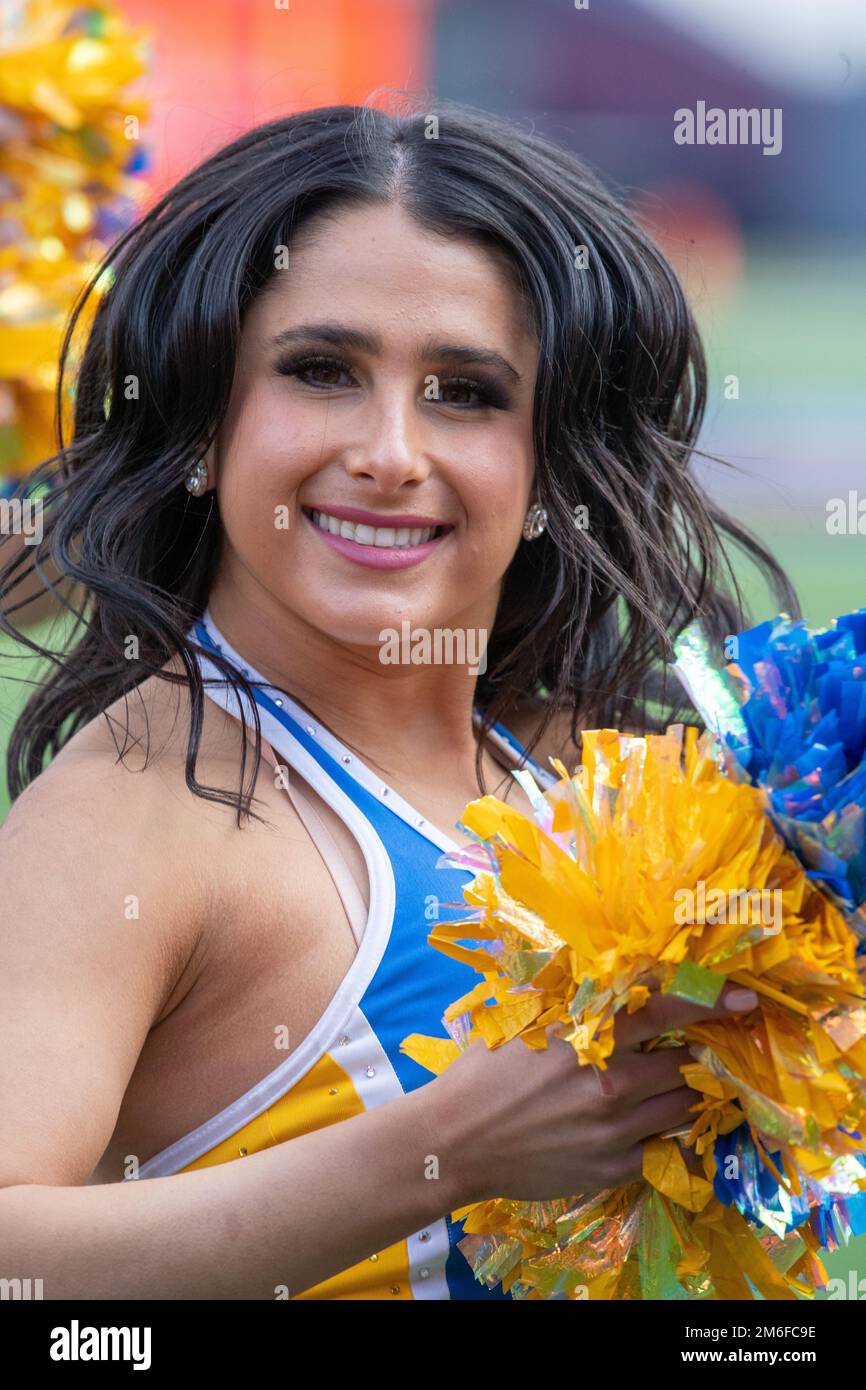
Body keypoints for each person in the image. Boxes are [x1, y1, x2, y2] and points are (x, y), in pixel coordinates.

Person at [0, 99, 791, 1300]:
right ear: (206, 411)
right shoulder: (135, 811)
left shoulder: (600, 767)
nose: (388, 451)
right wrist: (441, 1154)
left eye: (464, 392)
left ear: (550, 454)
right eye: (320, 371)